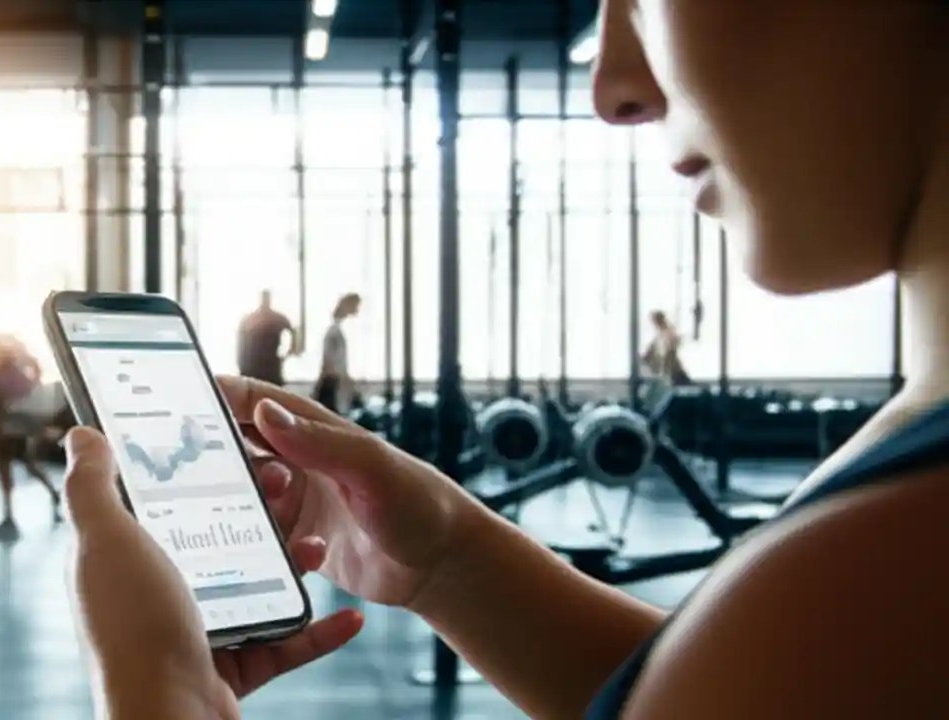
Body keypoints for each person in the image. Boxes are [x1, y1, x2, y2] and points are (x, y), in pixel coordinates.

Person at [61, 3, 949, 718]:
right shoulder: (891, 509)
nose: (613, 87)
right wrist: (451, 562)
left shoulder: (892, 559)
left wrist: (161, 693)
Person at [0, 321, 62, 541]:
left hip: (10, 414)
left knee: (5, 460)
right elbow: (34, 366)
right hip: (18, 411)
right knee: (24, 459)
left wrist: (20, 394)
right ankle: (52, 495)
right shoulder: (6, 342)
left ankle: (10, 516)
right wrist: (31, 390)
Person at [312, 293, 361, 414]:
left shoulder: (338, 329)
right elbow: (329, 360)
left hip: (335, 381)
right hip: (332, 382)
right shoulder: (335, 330)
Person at [236, 290, 297, 386]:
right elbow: (241, 341)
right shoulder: (251, 319)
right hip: (253, 366)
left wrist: (291, 350)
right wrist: (241, 364)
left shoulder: (275, 318)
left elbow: (292, 330)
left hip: (270, 366)